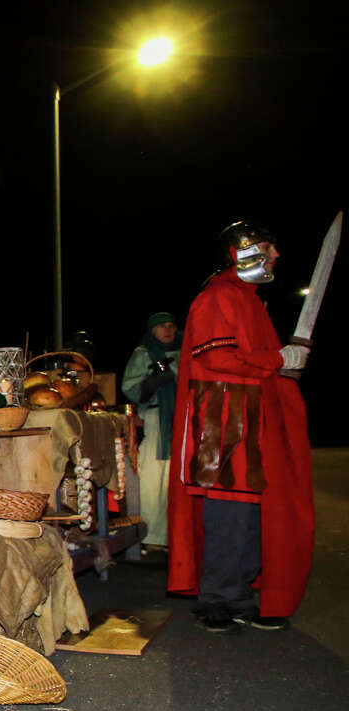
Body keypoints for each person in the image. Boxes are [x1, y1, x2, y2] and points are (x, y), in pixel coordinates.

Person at [167, 220, 314, 633]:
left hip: (250, 418)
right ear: (243, 250)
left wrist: (284, 364)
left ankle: (238, 596)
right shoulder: (217, 296)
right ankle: (215, 598)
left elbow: (255, 359)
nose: (276, 256)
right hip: (223, 421)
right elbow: (216, 358)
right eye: (269, 247)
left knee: (251, 514)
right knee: (228, 512)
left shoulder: (248, 299)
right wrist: (278, 360)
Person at [121, 311, 182, 547]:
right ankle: (152, 536)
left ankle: (177, 537)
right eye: (162, 326)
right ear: (152, 330)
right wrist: (156, 379)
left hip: (182, 418)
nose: (168, 330)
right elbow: (133, 388)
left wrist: (174, 375)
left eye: (171, 325)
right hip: (157, 418)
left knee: (176, 478)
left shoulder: (185, 351)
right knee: (152, 478)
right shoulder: (143, 353)